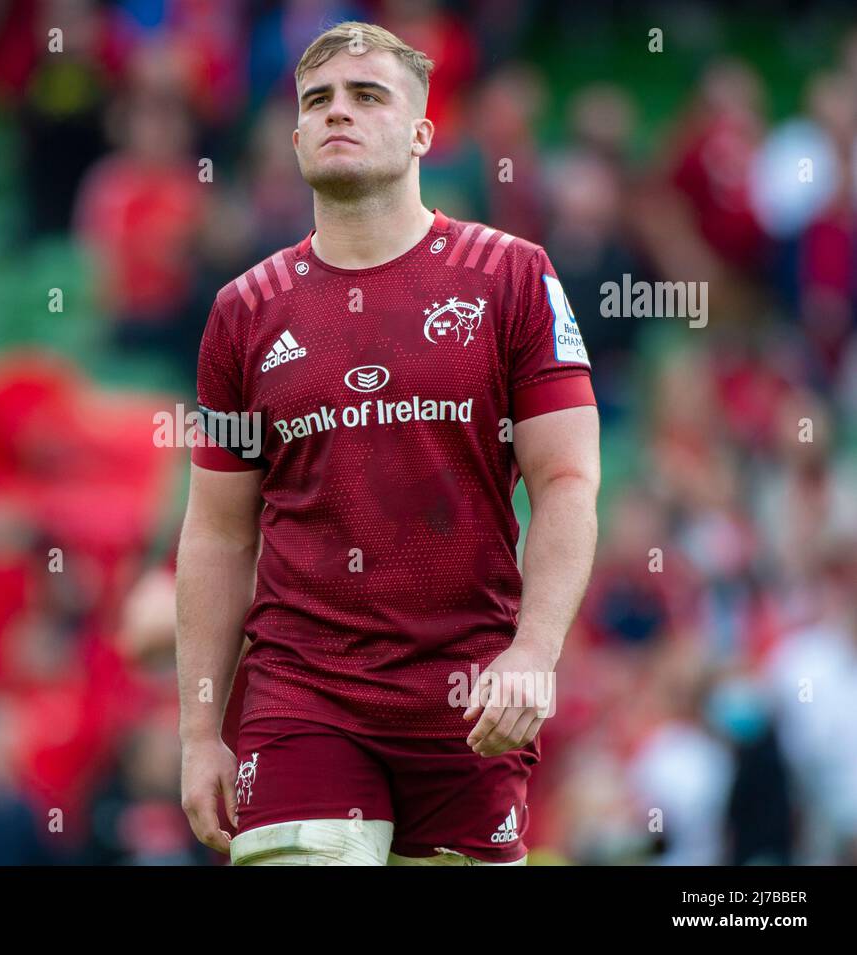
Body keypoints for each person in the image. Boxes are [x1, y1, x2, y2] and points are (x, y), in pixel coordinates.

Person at [175, 22, 600, 866]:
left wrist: (534, 652)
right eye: (318, 101)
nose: (339, 113)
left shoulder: (515, 277)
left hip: (470, 699)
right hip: (301, 697)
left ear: (420, 133)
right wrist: (196, 732)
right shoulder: (241, 313)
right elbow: (218, 531)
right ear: (295, 137)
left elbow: (568, 481)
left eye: (368, 95)